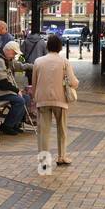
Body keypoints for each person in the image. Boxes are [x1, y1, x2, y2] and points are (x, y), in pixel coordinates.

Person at [32, 33, 78, 165]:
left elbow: (34, 83)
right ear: (60, 47)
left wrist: (35, 97)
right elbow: (73, 82)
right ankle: (62, 156)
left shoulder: (38, 61)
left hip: (42, 99)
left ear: (47, 46)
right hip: (60, 100)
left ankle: (44, 161)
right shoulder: (64, 62)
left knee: (43, 131)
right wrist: (75, 84)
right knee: (62, 129)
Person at [0, 39, 27, 135]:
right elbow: (2, 83)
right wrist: (16, 90)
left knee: (26, 97)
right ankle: (7, 126)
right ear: (9, 51)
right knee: (20, 101)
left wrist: (32, 66)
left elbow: (16, 65)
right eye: (14, 54)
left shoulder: (5, 55)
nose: (14, 56)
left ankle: (15, 124)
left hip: (0, 88)